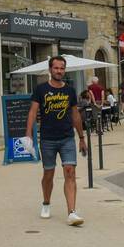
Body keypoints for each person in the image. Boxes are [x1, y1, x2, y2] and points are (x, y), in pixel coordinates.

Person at [24, 56, 87, 225]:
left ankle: (72, 212)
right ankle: (46, 202)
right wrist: (28, 134)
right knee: (48, 174)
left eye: (62, 68)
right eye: (56, 68)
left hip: (67, 138)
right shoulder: (40, 89)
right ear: (50, 69)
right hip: (47, 139)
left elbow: (75, 115)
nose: (59, 71)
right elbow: (32, 112)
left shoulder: (70, 90)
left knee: (70, 172)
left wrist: (81, 138)